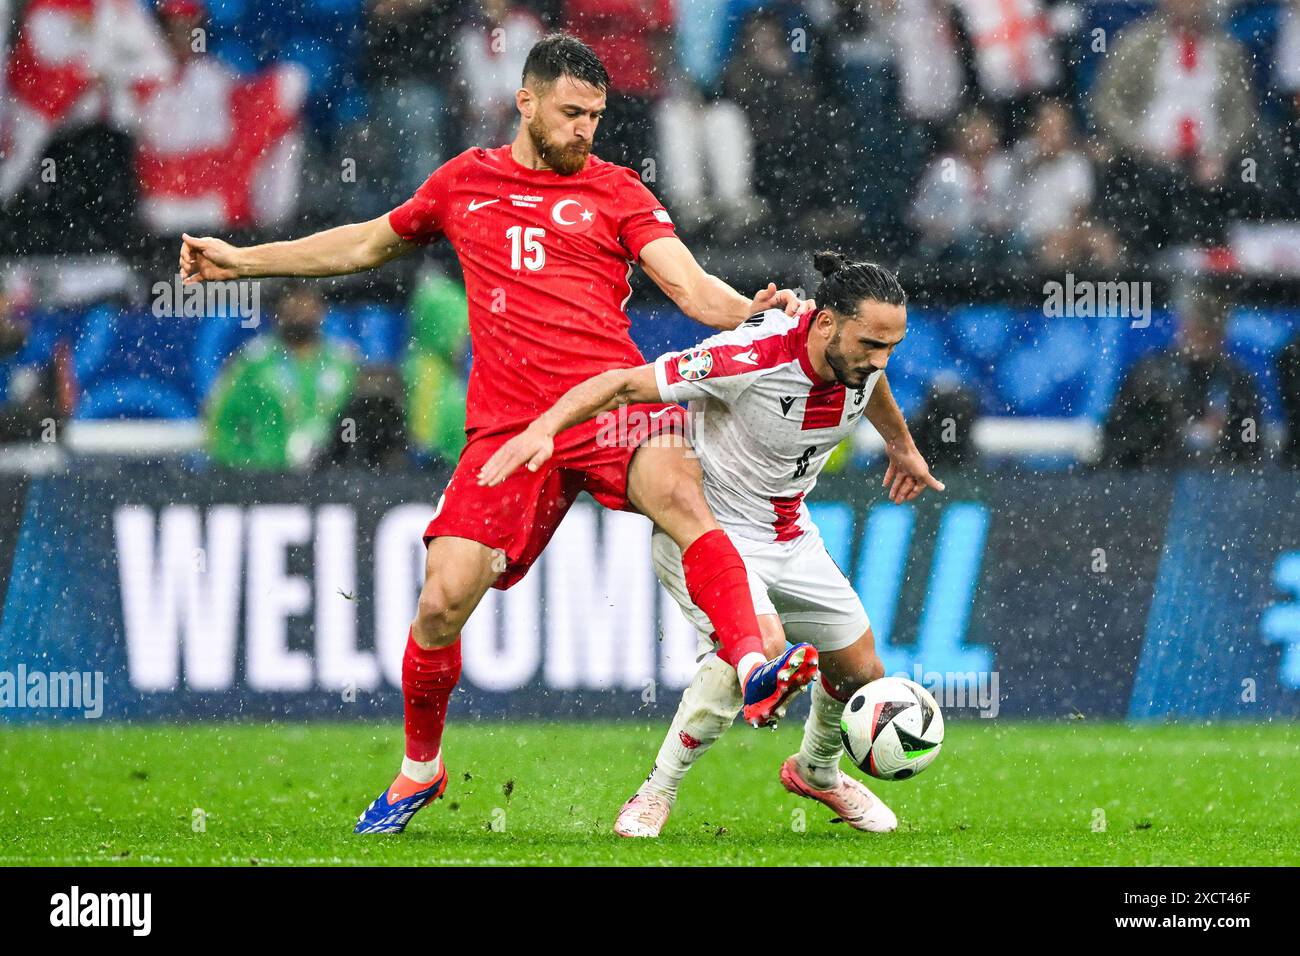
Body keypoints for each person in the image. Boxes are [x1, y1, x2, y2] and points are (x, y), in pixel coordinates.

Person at [178, 33, 863, 835]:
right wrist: (243, 262)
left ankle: (752, 664)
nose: (585, 130)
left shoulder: (617, 191)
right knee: (441, 602)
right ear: (525, 102)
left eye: (596, 117)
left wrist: (748, 310)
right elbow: (364, 242)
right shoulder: (464, 183)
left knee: (681, 493)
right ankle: (420, 770)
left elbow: (688, 284)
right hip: (511, 425)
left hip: (610, 404)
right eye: (572, 113)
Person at [478, 252, 945, 837]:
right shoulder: (748, 357)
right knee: (752, 649)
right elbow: (623, 384)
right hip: (708, 532)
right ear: (825, 323)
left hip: (789, 532)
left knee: (860, 669)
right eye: (872, 345)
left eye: (891, 348)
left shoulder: (856, 357)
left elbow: (870, 382)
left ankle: (817, 771)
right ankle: (657, 790)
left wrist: (901, 445)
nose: (880, 360)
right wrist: (543, 429)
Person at [1101, 284, 1263, 468]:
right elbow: (1121, 443)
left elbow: (1251, 445)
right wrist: (1168, 430)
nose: (1203, 337)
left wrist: (1229, 435)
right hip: (1158, 474)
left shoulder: (1238, 381)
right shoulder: (1150, 377)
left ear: (1223, 333)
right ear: (1182, 327)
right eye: (1198, 329)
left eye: (1210, 331)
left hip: (1219, 476)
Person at [205, 283, 358, 471]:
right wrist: (250, 466)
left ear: (322, 309)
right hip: (270, 477)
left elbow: (356, 424)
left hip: (332, 477)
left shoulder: (343, 362)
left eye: (307, 302)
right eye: (293, 303)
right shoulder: (254, 363)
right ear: (277, 311)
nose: (300, 310)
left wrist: (348, 466)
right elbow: (220, 423)